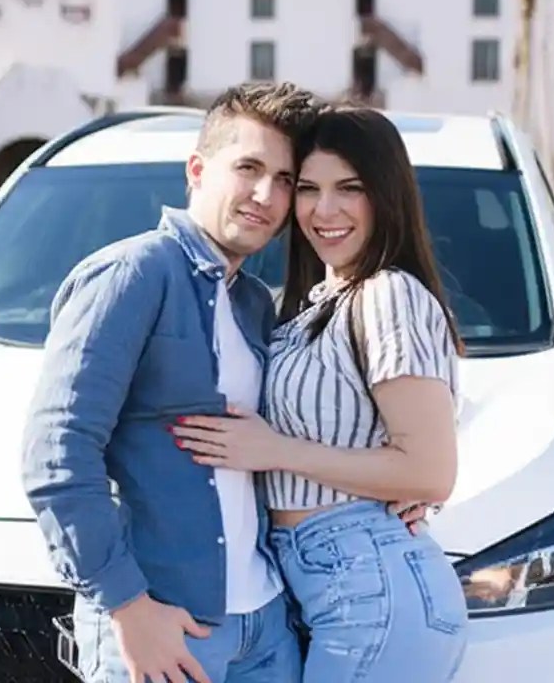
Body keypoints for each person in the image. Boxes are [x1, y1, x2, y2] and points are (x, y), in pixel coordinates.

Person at [20, 81, 326, 683]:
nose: (266, 195)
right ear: (197, 171)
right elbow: (56, 455)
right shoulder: (133, 274)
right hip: (167, 624)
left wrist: (395, 491)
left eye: (285, 179)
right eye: (248, 168)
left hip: (264, 624)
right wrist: (128, 607)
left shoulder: (252, 305)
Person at [173, 106, 470, 681]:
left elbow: (431, 471)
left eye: (349, 188)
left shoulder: (387, 294)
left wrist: (273, 450)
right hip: (320, 587)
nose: (324, 210)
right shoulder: (312, 305)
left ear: (385, 194)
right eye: (308, 188)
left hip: (371, 588)